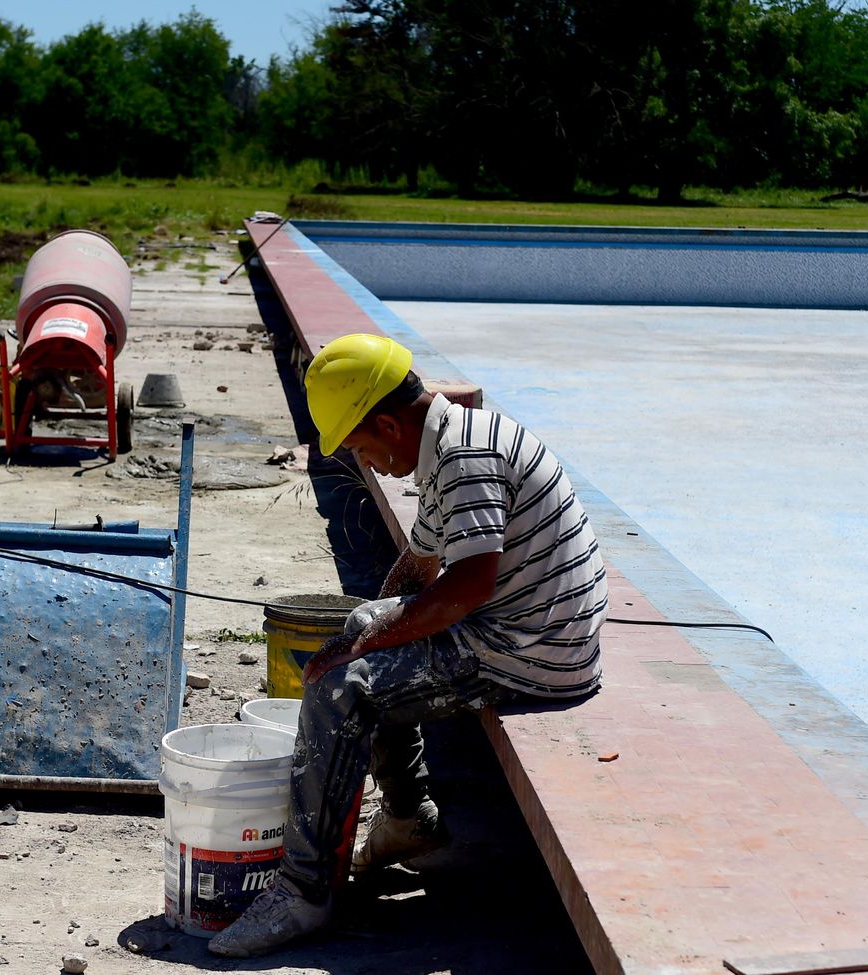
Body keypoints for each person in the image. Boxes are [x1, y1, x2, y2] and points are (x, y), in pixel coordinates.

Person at [209, 333, 608, 958]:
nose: (365, 462)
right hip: (524, 629)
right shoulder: (448, 441)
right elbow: (420, 566)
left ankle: (302, 892)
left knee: (341, 690)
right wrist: (366, 622)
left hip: (533, 652)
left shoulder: (463, 458)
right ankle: (408, 817)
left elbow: (470, 584)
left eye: (362, 447)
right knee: (362, 636)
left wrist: (358, 650)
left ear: (390, 424)